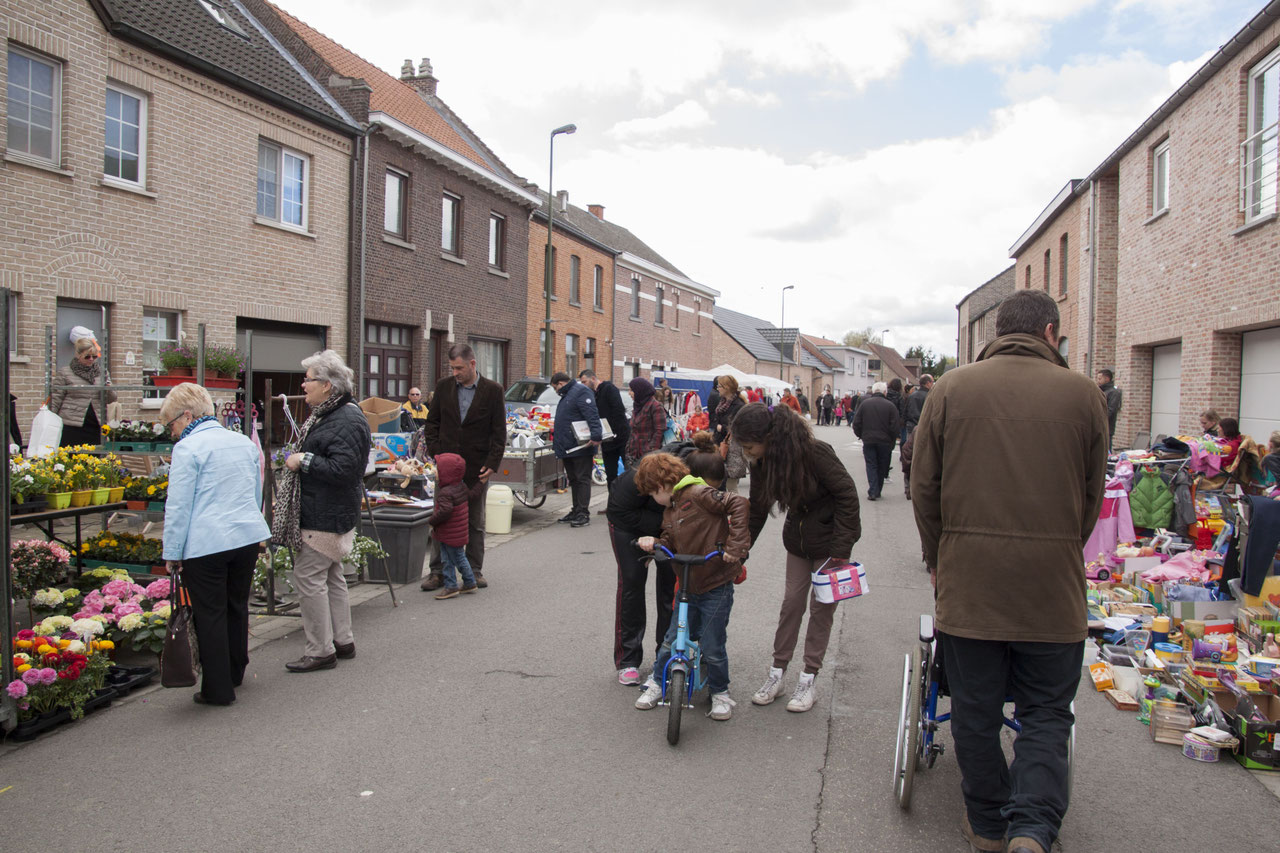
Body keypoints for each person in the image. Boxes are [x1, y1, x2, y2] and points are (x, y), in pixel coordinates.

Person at [910, 289, 1108, 853]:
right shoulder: (1084, 395)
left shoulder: (951, 387)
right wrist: (1064, 547)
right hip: (1052, 587)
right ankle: (1033, 827)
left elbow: (925, 489)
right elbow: (1092, 495)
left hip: (971, 584)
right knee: (1047, 712)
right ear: (1051, 332)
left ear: (998, 331)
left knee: (974, 710)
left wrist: (938, 558)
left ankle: (991, 824)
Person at [729, 402, 860, 713]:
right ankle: (777, 674)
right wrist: (738, 552)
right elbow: (758, 508)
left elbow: (847, 495)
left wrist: (842, 551)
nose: (747, 454)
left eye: (749, 446)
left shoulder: (816, 452)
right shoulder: (764, 463)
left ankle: (809, 679)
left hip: (831, 544)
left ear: (770, 437)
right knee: (791, 605)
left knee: (821, 609)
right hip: (798, 542)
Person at [161, 383, 270, 705]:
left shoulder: (188, 448)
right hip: (246, 536)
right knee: (237, 605)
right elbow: (255, 491)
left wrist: (172, 552)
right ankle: (236, 670)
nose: (171, 432)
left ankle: (217, 688)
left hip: (206, 541)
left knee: (209, 613)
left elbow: (179, 506)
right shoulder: (241, 442)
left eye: (171, 424)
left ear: (186, 415)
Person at [632, 451, 751, 721]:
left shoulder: (699, 493)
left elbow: (739, 504)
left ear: (661, 485)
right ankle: (657, 682)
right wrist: (656, 544)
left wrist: (735, 547)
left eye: (652, 493)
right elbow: (670, 538)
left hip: (715, 582)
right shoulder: (671, 509)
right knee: (671, 641)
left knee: (712, 645)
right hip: (689, 584)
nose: (653, 499)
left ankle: (720, 691)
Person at [273, 350, 371, 673]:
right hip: (329, 510)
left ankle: (320, 650)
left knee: (309, 577)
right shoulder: (332, 413)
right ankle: (342, 640)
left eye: (309, 379)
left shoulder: (344, 418)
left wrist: (304, 460)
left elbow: (344, 469)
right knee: (331, 574)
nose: (303, 385)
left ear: (327, 385)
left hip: (324, 513)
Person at [419, 343, 507, 590]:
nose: (455, 373)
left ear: (472, 364)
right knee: (442, 518)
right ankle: (437, 572)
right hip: (446, 468)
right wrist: (438, 454)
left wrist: (492, 464)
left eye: (459, 368)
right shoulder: (444, 387)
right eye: (452, 368)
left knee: (475, 521)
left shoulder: (492, 391)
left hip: (477, 468)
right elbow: (432, 423)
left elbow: (499, 432)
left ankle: (474, 570)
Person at [607, 446, 674, 686]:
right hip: (627, 527)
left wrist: (665, 530)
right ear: (655, 489)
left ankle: (665, 656)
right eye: (670, 496)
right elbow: (616, 512)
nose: (674, 498)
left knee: (672, 588)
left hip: (671, 530)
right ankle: (628, 660)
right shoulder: (630, 485)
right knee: (631, 584)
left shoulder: (685, 480)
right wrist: (659, 525)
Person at [551, 371, 601, 528]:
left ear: (560, 383)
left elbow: (591, 414)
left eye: (555, 388)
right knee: (574, 479)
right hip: (569, 446)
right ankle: (576, 510)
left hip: (581, 445)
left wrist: (596, 435)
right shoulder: (568, 394)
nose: (556, 391)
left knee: (582, 478)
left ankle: (583, 513)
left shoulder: (580, 392)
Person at [428, 452, 482, 598]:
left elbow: (444, 511)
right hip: (459, 533)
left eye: (438, 470)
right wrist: (480, 484)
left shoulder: (445, 493)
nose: (436, 473)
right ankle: (467, 582)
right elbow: (472, 495)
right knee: (458, 558)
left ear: (447, 474)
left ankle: (453, 585)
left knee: (449, 560)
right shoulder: (461, 487)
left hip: (449, 534)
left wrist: (432, 521)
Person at [51, 335, 117, 447]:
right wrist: (51, 419)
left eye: (94, 356)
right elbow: (56, 398)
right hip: (71, 423)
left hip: (96, 422)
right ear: (78, 355)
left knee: (95, 458)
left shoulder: (102, 373)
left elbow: (111, 399)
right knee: (71, 458)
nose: (91, 359)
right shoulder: (65, 372)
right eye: (87, 357)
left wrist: (108, 388)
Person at [579, 370, 629, 504]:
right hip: (607, 440)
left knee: (628, 471)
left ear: (593, 378)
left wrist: (612, 430)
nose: (583, 385)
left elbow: (618, 410)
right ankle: (613, 504)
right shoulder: (592, 394)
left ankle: (629, 503)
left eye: (584, 381)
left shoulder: (609, 389)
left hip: (620, 437)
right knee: (610, 474)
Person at [852, 382, 899, 501]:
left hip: (868, 439)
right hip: (885, 441)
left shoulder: (864, 404)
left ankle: (873, 490)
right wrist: (892, 439)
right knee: (882, 465)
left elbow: (856, 422)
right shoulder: (890, 406)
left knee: (871, 464)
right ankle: (877, 489)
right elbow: (894, 426)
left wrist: (861, 435)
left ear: (873, 391)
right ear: (884, 392)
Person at [708, 375, 747, 494]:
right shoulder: (723, 402)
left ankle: (736, 510)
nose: (717, 388)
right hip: (721, 444)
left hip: (732, 448)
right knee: (722, 483)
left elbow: (738, 427)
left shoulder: (738, 405)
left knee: (731, 485)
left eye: (719, 386)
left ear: (727, 388)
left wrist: (722, 428)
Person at [625, 377, 665, 467]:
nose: (629, 393)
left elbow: (659, 432)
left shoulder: (655, 406)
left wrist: (650, 453)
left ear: (640, 391)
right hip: (633, 455)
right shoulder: (637, 406)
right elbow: (633, 431)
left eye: (631, 390)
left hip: (647, 457)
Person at [1095, 369, 1122, 450]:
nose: (1098, 381)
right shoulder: (1100, 391)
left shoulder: (1113, 392)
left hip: (1106, 428)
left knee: (1105, 450)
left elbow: (1111, 410)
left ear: (1107, 379)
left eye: (1100, 379)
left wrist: (1098, 419)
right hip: (1098, 428)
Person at [886, 378, 907, 480]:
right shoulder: (899, 397)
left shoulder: (885, 395)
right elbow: (902, 412)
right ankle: (885, 468)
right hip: (893, 425)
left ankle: (882, 468)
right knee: (889, 448)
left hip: (882, 423)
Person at [905, 373, 933, 438]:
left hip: (911, 427)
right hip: (924, 428)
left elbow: (906, 411)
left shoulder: (911, 396)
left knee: (910, 447)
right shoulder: (929, 396)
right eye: (932, 382)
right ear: (928, 383)